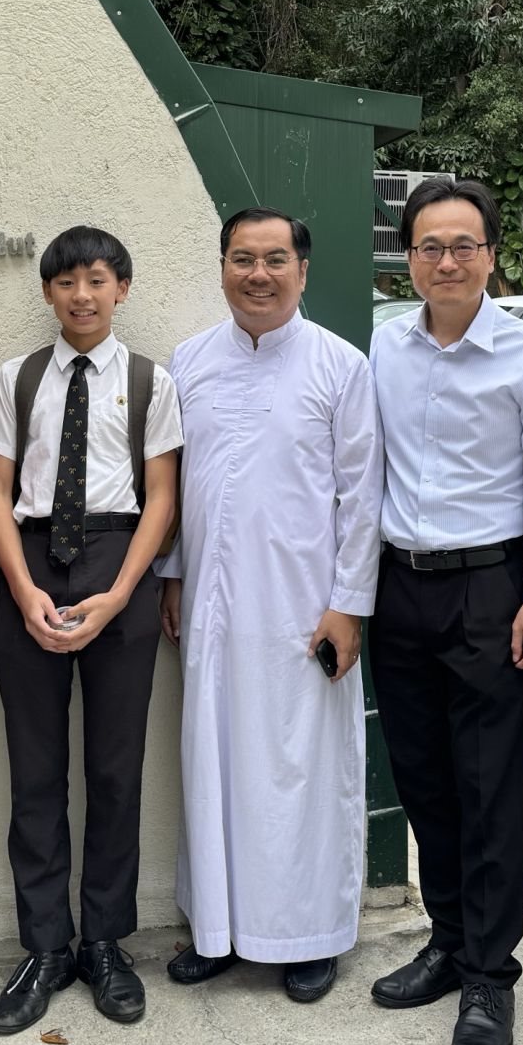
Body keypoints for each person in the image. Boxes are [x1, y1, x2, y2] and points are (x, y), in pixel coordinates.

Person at [367, 178, 523, 1045]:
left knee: (490, 786)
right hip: (397, 587)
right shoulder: (383, 344)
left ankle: (492, 973)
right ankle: (448, 942)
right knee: (424, 780)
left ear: (492, 254)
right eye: (428, 246)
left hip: (490, 588)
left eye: (463, 244)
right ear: (408, 257)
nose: (446, 260)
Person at [156, 208, 383, 1003]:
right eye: (242, 258)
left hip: (305, 611)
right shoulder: (189, 362)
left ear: (303, 271)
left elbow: (364, 498)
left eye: (275, 259)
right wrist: (175, 575)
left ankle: (308, 934)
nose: (259, 274)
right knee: (213, 761)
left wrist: (349, 605)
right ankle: (218, 929)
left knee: (302, 771)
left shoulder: (340, 366)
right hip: (214, 613)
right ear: (221, 266)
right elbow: (177, 488)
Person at [0, 226, 182, 1036]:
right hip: (31, 563)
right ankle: (45, 946)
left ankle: (104, 941)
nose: (82, 295)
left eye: (98, 279)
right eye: (66, 282)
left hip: (118, 562)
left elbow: (163, 495)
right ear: (47, 293)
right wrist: (23, 592)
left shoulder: (150, 381)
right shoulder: (14, 378)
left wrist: (120, 591)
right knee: (34, 771)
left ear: (122, 288)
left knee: (115, 769)